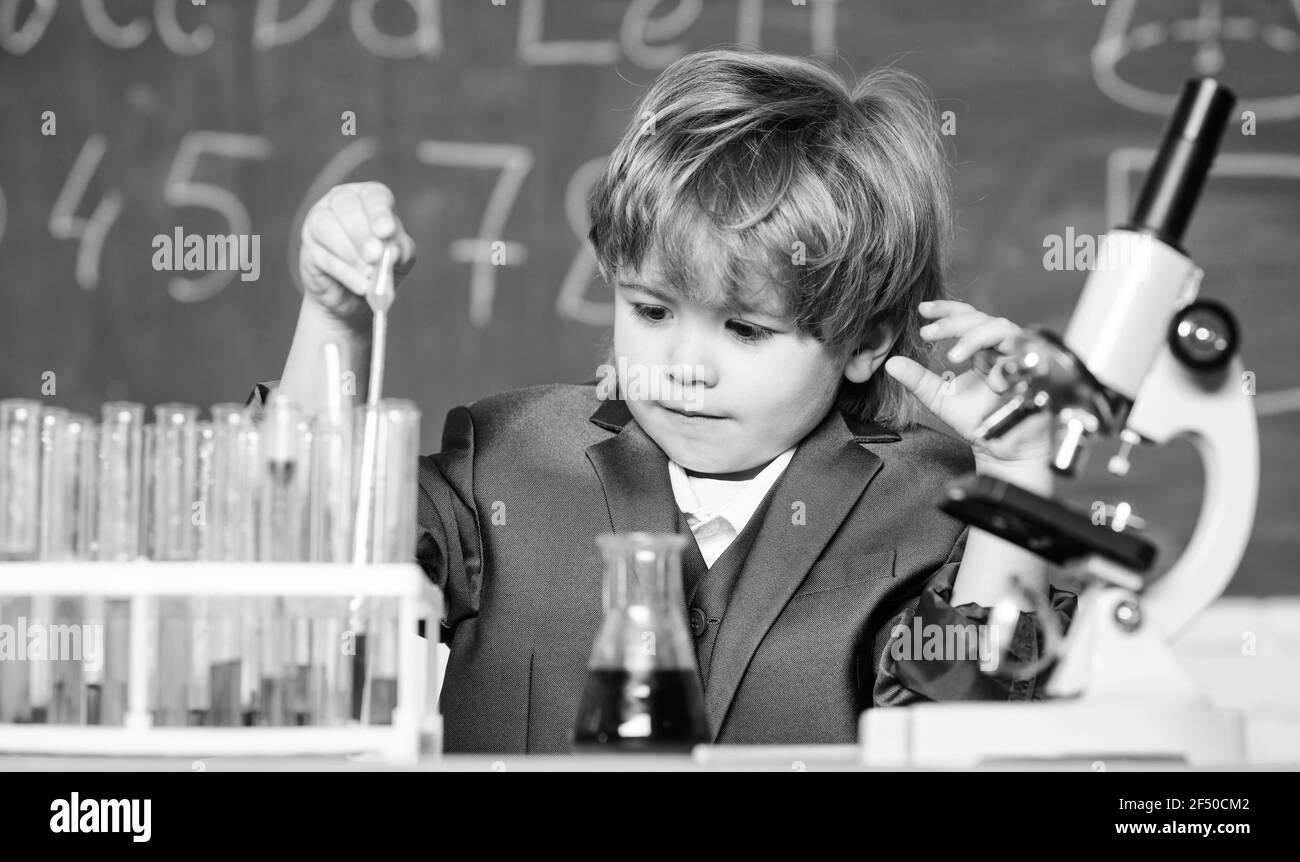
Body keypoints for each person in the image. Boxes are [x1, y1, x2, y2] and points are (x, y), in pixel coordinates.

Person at [253, 47, 1075, 753]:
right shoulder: (506, 464)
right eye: (650, 311)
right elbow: (302, 553)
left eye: (747, 330)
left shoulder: (932, 512)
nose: (683, 368)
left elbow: (967, 731)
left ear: (864, 340)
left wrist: (1017, 474)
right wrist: (336, 315)